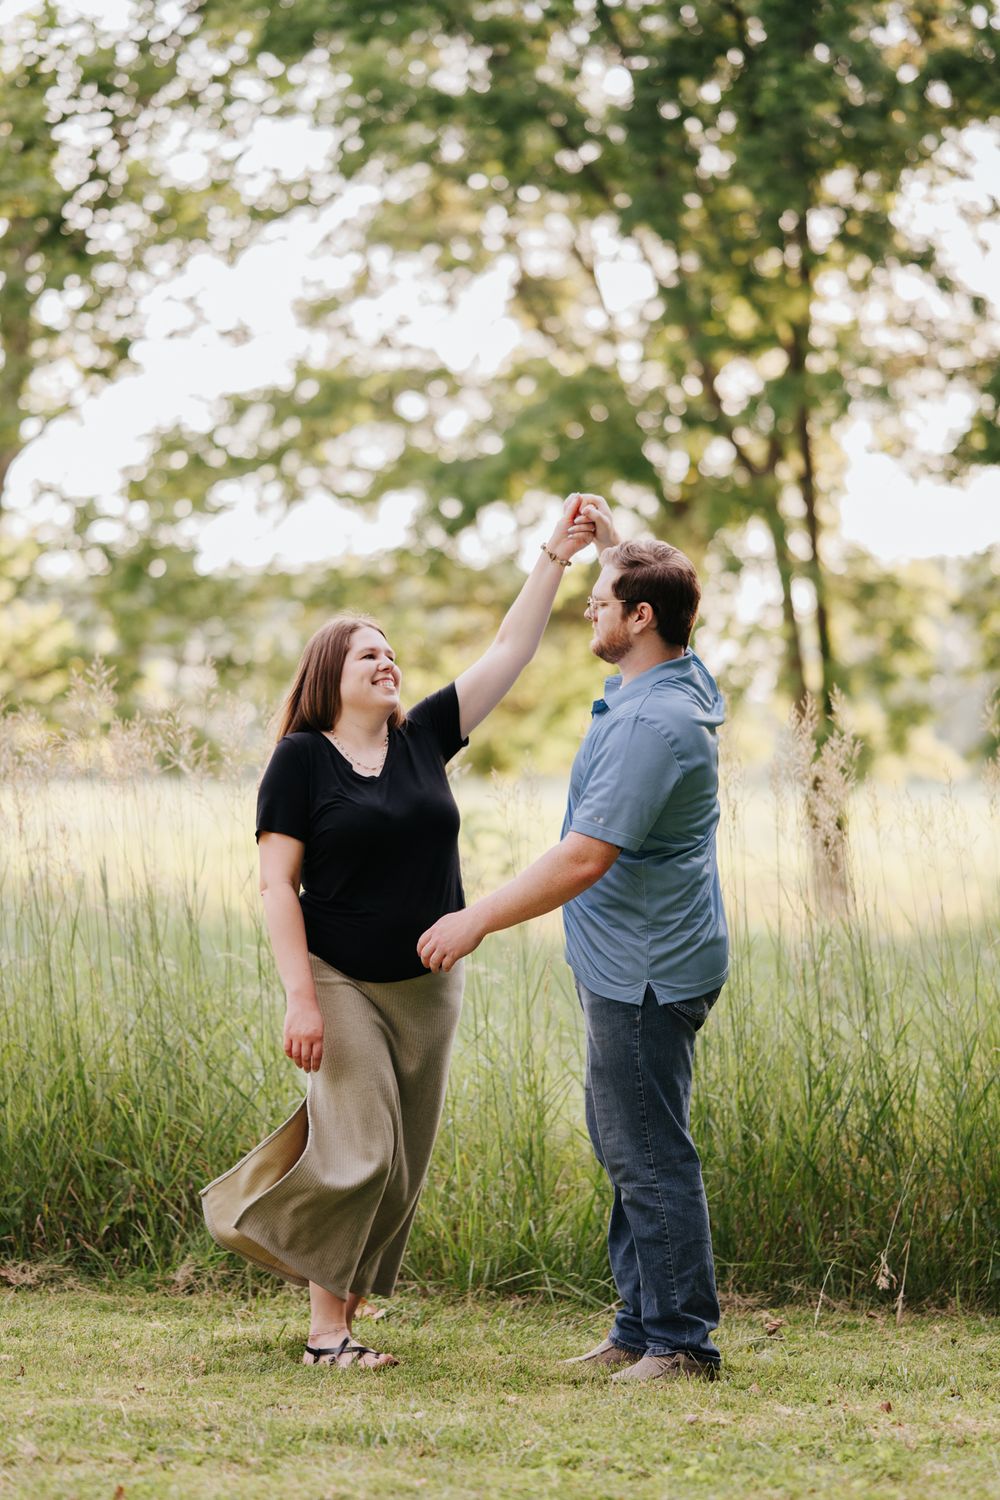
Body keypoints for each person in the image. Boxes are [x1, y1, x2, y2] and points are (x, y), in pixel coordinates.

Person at [200, 495, 595, 1370]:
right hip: (338, 976)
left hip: (427, 989)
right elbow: (275, 884)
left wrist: (554, 556)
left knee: (400, 1168)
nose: (388, 662)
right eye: (367, 653)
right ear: (329, 674)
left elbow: (511, 651)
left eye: (391, 652)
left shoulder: (423, 740)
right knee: (360, 1149)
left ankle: (330, 1294)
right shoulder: (301, 759)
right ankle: (324, 1334)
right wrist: (300, 998)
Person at [418, 497, 729, 1383]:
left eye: (604, 599)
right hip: (646, 956)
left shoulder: (650, 724)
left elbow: (586, 855)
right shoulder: (673, 681)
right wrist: (609, 544)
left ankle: (681, 1345)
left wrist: (476, 917)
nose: (589, 608)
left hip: (645, 968)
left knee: (648, 1150)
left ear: (643, 619)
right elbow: (661, 589)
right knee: (626, 1140)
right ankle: (639, 1327)